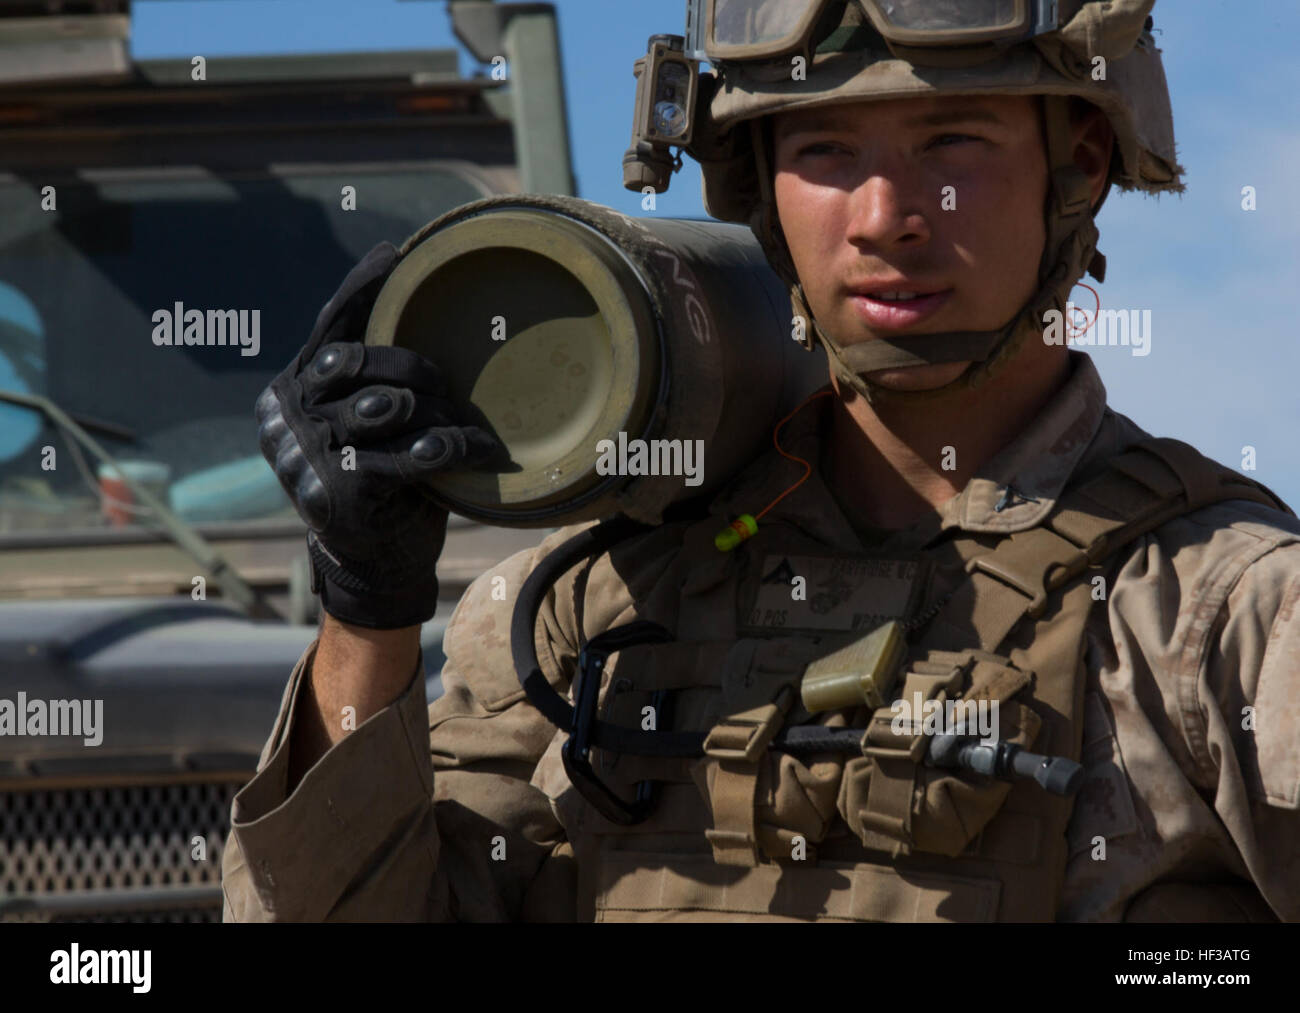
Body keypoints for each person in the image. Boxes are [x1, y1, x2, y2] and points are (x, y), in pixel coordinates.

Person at [223, 0, 1300, 922]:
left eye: (953, 141)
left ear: (1077, 165)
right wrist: (366, 610)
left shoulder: (1218, 610)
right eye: (824, 151)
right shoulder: (586, 606)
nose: (885, 219)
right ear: (757, 188)